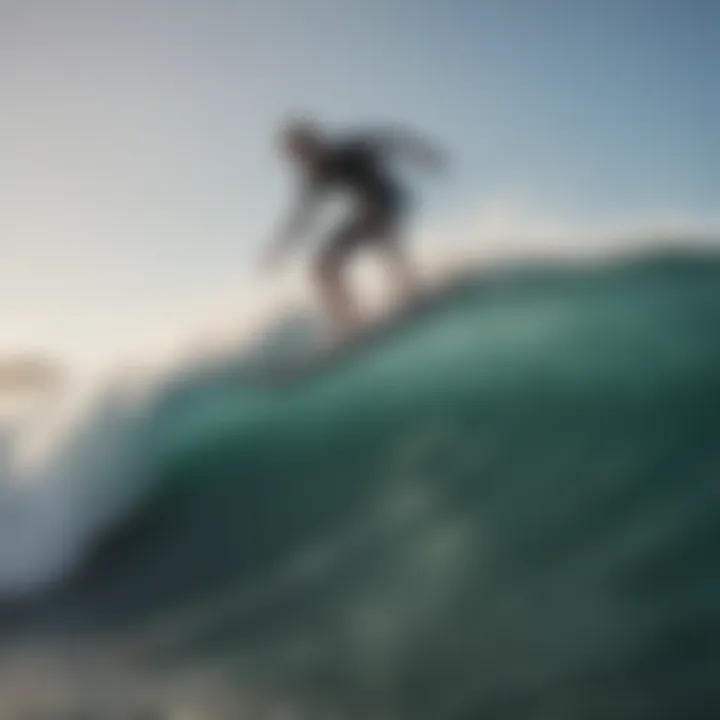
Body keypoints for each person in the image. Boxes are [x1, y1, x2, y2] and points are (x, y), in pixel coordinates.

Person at [263, 118, 446, 336]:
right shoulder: (316, 177)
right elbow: (301, 217)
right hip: (366, 213)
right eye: (298, 157)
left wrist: (427, 155)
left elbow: (393, 140)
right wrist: (279, 249)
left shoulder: (349, 151)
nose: (304, 160)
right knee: (322, 266)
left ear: (315, 142)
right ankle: (349, 320)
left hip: (387, 202)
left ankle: (413, 292)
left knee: (382, 237)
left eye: (304, 151)